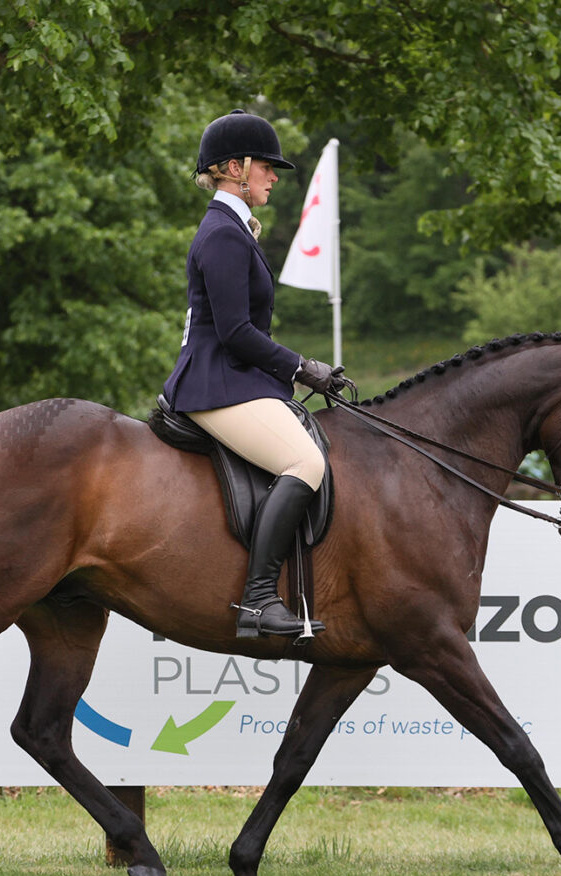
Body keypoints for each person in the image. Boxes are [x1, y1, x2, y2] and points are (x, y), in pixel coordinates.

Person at [163, 109, 351, 641]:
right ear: (231, 169)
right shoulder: (223, 234)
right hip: (216, 383)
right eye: (266, 166)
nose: (274, 176)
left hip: (234, 380)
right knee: (304, 461)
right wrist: (302, 367)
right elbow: (234, 333)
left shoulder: (233, 229)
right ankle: (259, 599)